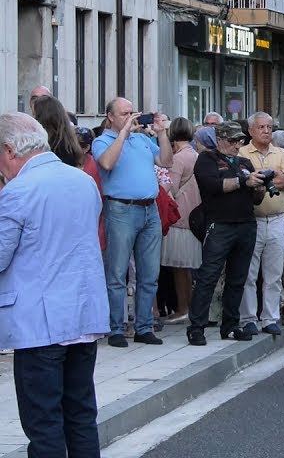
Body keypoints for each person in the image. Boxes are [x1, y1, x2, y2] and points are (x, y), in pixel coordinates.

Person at [0, 112, 108, 458]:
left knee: (44, 422)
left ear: (8, 150)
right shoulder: (82, 180)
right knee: (80, 415)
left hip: (40, 322)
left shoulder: (18, 190)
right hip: (83, 315)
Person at [91, 97, 173, 347]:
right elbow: (106, 162)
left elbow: (166, 161)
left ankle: (144, 327)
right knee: (117, 273)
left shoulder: (142, 139)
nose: (130, 117)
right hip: (121, 209)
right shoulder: (102, 141)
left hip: (149, 210)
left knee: (149, 273)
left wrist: (162, 133)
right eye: (124, 113)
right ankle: (116, 328)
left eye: (132, 113)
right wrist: (124, 134)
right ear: (110, 117)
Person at [187, 122, 266, 346]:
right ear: (220, 139)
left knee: (238, 278)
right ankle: (196, 327)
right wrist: (244, 181)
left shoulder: (244, 162)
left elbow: (256, 198)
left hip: (246, 224)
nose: (237, 144)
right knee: (208, 276)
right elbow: (213, 185)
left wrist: (259, 186)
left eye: (240, 140)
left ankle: (231, 325)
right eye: (232, 140)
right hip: (220, 225)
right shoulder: (207, 159)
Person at [237, 112, 284, 337]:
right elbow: (245, 180)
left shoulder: (281, 152)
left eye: (269, 127)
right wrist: (274, 178)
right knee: (249, 273)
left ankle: (270, 318)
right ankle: (248, 318)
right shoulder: (242, 152)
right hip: (251, 220)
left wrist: (263, 179)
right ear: (251, 130)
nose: (266, 131)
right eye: (261, 127)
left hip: (277, 219)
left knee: (273, 273)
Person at [161, 118, 203, 324]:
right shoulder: (195, 155)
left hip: (179, 217)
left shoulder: (178, 159)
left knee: (179, 268)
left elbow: (171, 187)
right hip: (194, 215)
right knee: (187, 268)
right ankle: (189, 307)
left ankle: (182, 308)